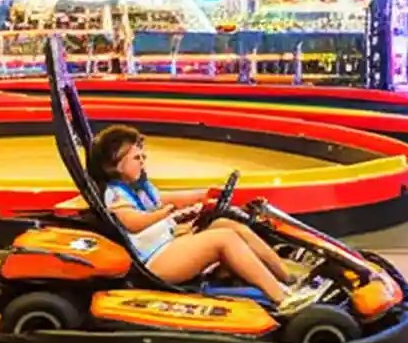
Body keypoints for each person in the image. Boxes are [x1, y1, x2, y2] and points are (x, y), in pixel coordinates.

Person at [85, 124, 327, 314]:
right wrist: (168, 213)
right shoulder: (115, 194)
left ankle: (288, 279)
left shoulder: (138, 186)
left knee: (229, 225)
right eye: (137, 158)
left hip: (169, 245)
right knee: (222, 239)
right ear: (115, 165)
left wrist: (204, 194)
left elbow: (166, 197)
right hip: (155, 262)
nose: (143, 161)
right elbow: (133, 223)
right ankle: (282, 299)